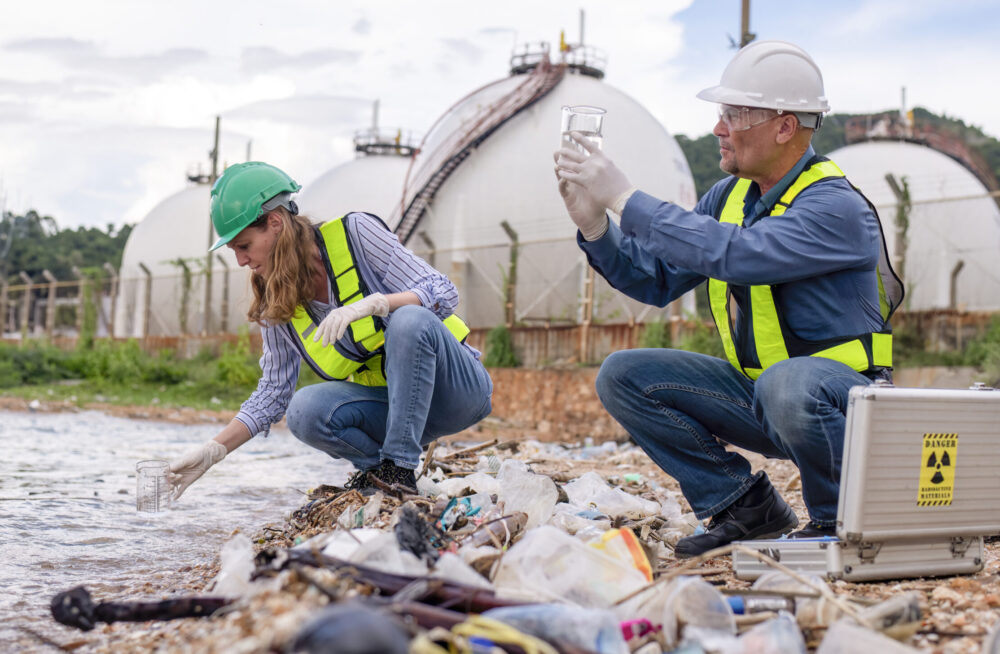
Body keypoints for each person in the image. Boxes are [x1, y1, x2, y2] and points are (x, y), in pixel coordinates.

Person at [554, 40, 902, 558]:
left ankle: (840, 519)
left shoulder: (836, 207)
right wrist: (596, 225)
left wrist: (627, 199)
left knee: (789, 382)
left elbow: (738, 255)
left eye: (734, 114)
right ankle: (743, 504)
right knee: (624, 374)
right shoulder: (729, 197)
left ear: (785, 127)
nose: (719, 127)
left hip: (845, 405)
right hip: (768, 398)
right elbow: (656, 280)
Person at [168, 162, 493, 499]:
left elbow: (443, 291)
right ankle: (381, 477)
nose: (240, 261)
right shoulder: (276, 299)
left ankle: (399, 467)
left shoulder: (356, 234)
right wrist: (212, 453)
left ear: (275, 223)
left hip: (456, 393)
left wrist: (379, 303)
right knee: (304, 410)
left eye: (244, 246)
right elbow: (273, 392)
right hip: (394, 410)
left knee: (410, 320)